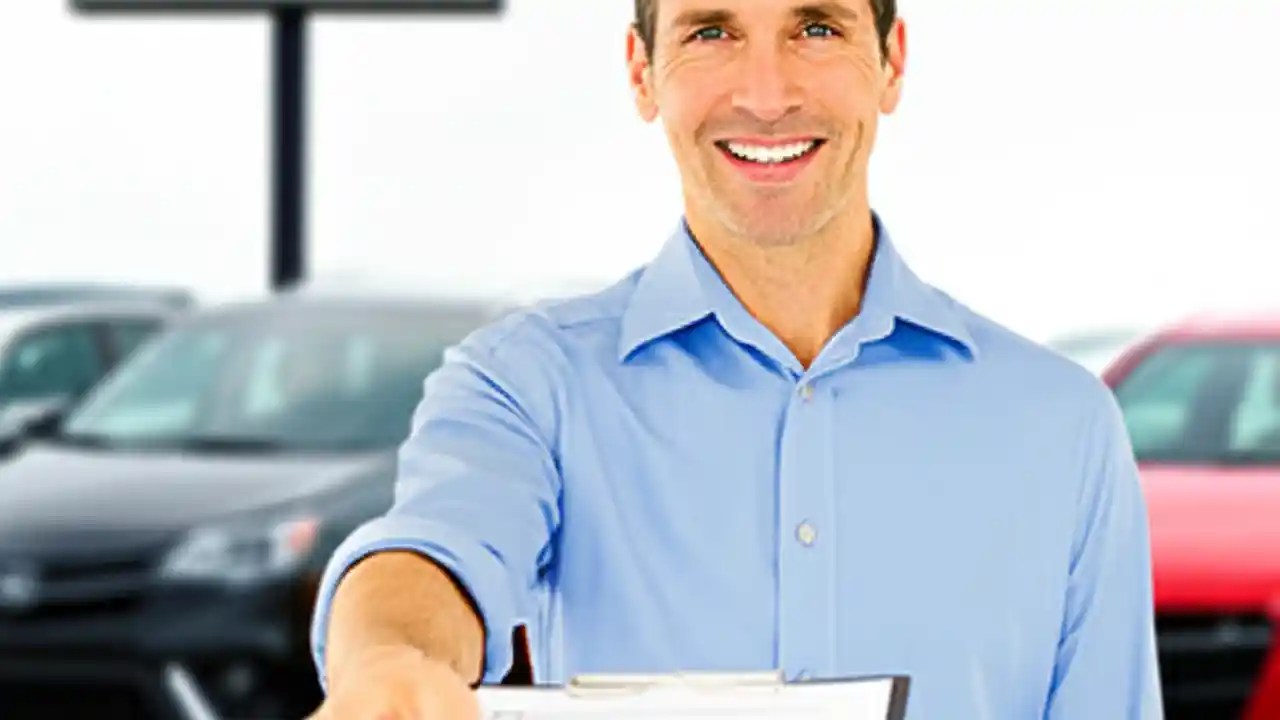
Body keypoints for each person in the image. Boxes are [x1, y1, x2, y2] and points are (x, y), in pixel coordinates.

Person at [306, 1, 1163, 718]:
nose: (766, 95)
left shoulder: (1063, 426)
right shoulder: (526, 386)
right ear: (642, 72)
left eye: (816, 27)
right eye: (711, 31)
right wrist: (390, 663)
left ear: (891, 62)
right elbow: (440, 548)